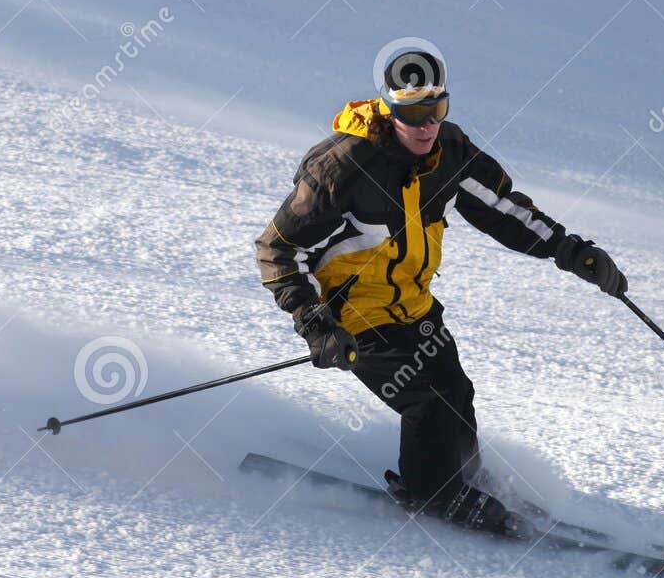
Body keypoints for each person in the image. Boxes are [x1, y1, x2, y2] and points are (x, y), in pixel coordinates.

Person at [255, 39, 627, 532]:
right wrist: (314, 323)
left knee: (455, 391)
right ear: (389, 111)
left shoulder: (448, 152)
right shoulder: (342, 167)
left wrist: (570, 250)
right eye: (414, 115)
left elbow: (502, 208)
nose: (428, 125)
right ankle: (437, 494)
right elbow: (277, 250)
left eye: (437, 110)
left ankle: (469, 480)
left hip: (414, 304)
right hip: (352, 314)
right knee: (425, 400)